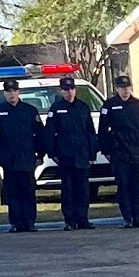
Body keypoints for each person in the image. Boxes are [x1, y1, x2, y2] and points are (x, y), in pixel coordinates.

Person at [0, 79, 44, 232]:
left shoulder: (29, 110)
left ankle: (30, 222)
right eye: (8, 91)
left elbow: (40, 134)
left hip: (26, 158)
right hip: (8, 160)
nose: (12, 94)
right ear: (4, 93)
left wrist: (40, 155)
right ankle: (15, 223)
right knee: (12, 193)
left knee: (28, 192)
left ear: (18, 92)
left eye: (14, 91)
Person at [98, 75, 139, 228]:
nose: (125, 91)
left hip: (137, 151)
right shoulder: (109, 105)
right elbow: (103, 130)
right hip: (119, 152)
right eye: (122, 88)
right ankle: (127, 217)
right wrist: (106, 150)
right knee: (123, 185)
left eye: (127, 88)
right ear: (117, 89)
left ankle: (138, 217)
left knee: (137, 186)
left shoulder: (138, 104)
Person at [47, 75, 98, 230]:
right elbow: (50, 133)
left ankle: (83, 219)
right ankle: (69, 220)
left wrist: (92, 153)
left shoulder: (83, 107)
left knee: (83, 189)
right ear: (61, 91)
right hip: (65, 155)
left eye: (71, 89)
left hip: (82, 155)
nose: (69, 92)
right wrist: (52, 153)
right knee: (67, 189)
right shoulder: (56, 109)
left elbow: (90, 132)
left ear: (75, 90)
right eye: (66, 89)